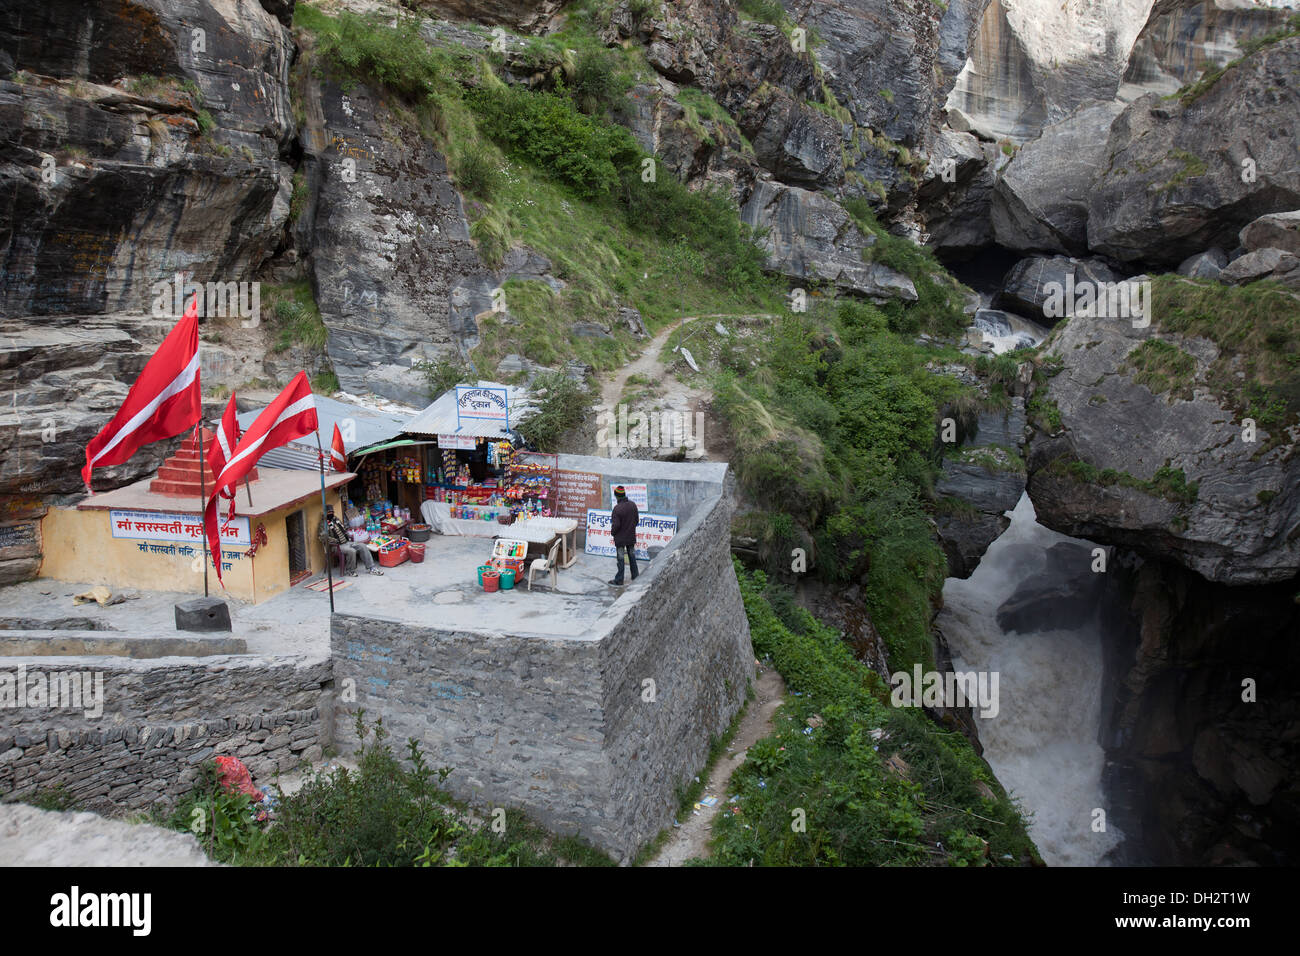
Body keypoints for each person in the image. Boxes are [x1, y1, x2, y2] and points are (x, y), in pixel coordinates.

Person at [319, 505, 383, 576]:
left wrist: (348, 534)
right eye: (329, 512)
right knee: (351, 551)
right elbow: (323, 537)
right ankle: (350, 570)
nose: (331, 513)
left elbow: (343, 529)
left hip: (346, 542)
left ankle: (372, 568)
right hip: (336, 546)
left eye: (332, 512)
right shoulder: (323, 524)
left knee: (363, 546)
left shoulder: (336, 519)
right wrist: (335, 540)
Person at [608, 485, 639, 586]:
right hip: (630, 537)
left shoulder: (617, 509)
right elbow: (636, 521)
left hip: (620, 539)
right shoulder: (633, 505)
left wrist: (612, 532)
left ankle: (619, 580)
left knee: (620, 558)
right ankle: (635, 576)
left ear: (617, 497)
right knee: (632, 556)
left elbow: (616, 525)